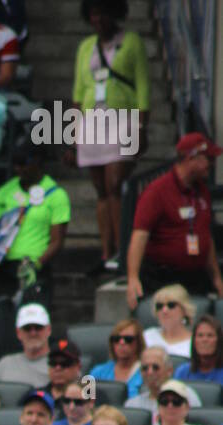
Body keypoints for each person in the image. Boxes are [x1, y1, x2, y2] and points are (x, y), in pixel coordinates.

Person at [70, 0, 149, 271]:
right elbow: (79, 93)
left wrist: (141, 126)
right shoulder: (85, 47)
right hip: (92, 120)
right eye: (93, 13)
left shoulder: (132, 42)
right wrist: (72, 134)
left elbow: (143, 87)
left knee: (116, 184)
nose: (98, 19)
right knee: (101, 189)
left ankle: (122, 248)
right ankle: (106, 251)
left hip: (123, 118)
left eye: (103, 12)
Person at [126, 132, 223, 311]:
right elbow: (139, 236)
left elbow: (205, 236)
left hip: (195, 277)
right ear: (190, 158)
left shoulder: (202, 191)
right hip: (162, 277)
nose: (211, 164)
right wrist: (132, 278)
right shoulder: (157, 191)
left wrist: (217, 278)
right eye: (207, 158)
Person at [0, 151, 71, 303]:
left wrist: (35, 265)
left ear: (37, 162)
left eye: (23, 164)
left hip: (34, 266)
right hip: (4, 266)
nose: (19, 170)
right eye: (16, 166)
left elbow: (57, 241)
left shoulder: (56, 195)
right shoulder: (6, 191)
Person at [0, 303, 51, 387]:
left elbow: (75, 388)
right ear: (18, 333)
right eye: (27, 328)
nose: (33, 333)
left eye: (38, 327)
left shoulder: (61, 363)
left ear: (49, 330)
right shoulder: (5, 364)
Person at [132, 345, 200, 413]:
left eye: (155, 367)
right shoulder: (133, 405)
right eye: (145, 368)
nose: (150, 372)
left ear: (169, 370)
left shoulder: (187, 396)